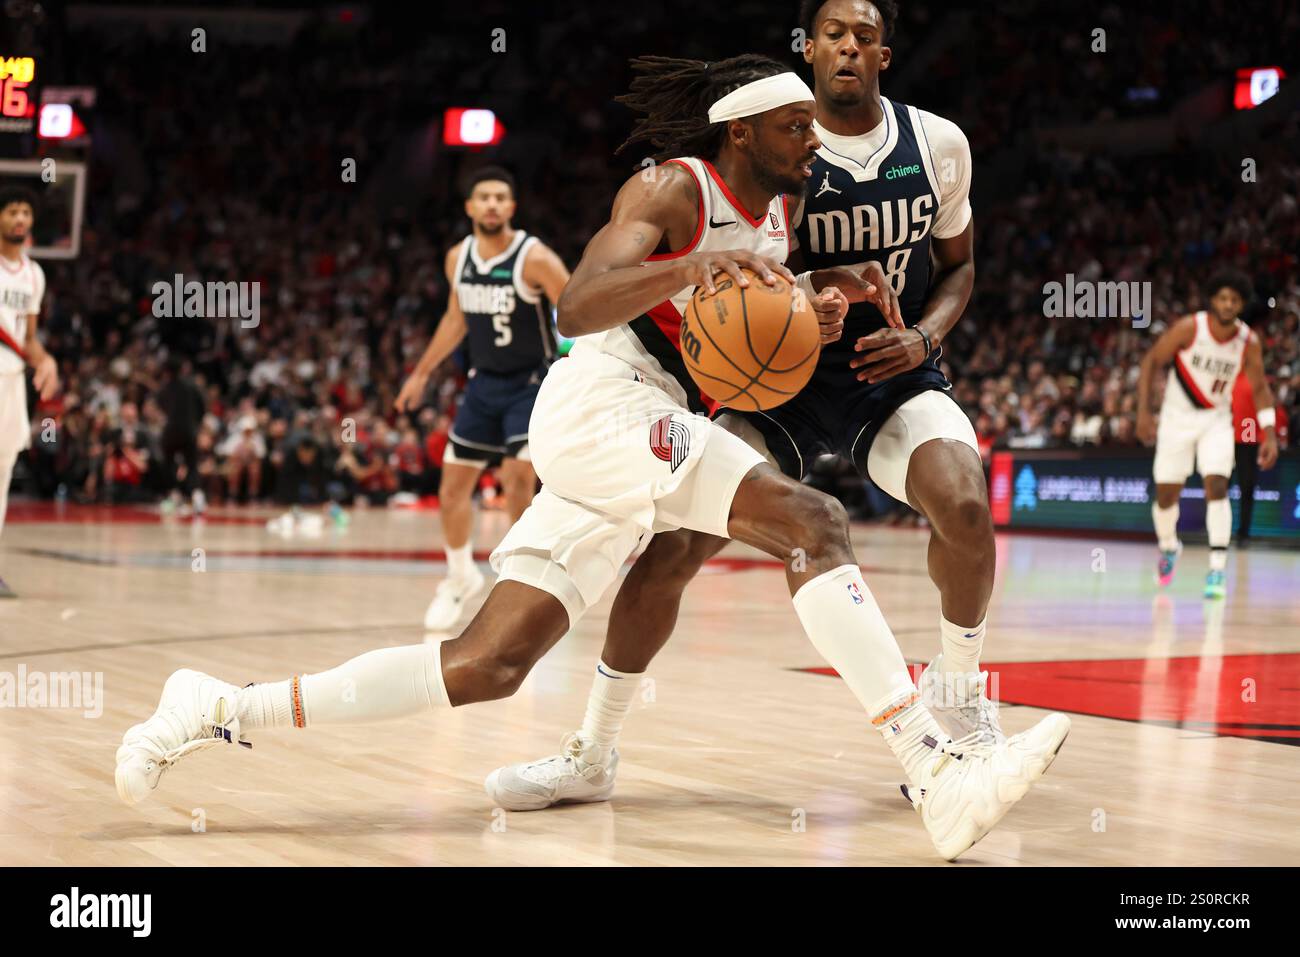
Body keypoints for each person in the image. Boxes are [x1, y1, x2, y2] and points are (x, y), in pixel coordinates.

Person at [114, 54, 1068, 861]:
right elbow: (577, 306)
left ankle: (219, 706)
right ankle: (934, 769)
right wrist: (692, 267)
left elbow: (748, 310)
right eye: (794, 128)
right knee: (812, 521)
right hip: (604, 398)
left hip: (654, 413)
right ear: (740, 132)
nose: (814, 141)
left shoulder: (779, 211)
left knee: (488, 663)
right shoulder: (672, 187)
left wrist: (822, 291)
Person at [490, 0, 1005, 811]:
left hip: (886, 367)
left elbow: (961, 267)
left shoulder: (937, 145)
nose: (847, 47)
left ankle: (962, 704)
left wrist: (927, 338)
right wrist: (800, 295)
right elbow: (736, 265)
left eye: (864, 35)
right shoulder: (775, 150)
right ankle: (592, 747)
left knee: (967, 507)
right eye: (832, 32)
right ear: (806, 49)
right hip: (775, 380)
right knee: (673, 553)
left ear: (886, 53)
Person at [394, 167, 571, 631]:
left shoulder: (535, 257)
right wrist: (420, 374)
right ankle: (459, 578)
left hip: (532, 381)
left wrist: (582, 366)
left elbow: (575, 310)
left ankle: (520, 586)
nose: (492, 204)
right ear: (470, 207)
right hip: (483, 383)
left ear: (511, 207)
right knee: (452, 488)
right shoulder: (458, 258)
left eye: (500, 197)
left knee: (517, 477)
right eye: (484, 197)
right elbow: (456, 319)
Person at [1137, 269, 1279, 598]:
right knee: (1165, 496)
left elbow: (1260, 388)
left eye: (1235, 299)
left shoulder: (1248, 342)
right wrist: (1143, 411)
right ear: (1213, 300)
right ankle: (1170, 546)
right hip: (1176, 417)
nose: (1228, 304)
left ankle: (1217, 569)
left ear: (1242, 304)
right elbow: (1151, 361)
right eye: (1223, 297)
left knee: (1217, 484)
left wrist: (1269, 433)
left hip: (1216, 419)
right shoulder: (1190, 328)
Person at [0, 186, 57, 599]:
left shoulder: (34, 275)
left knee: (1, 477)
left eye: (25, 212)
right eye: (11, 211)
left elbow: (29, 339)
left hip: (12, 379)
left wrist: (47, 360)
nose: (19, 218)